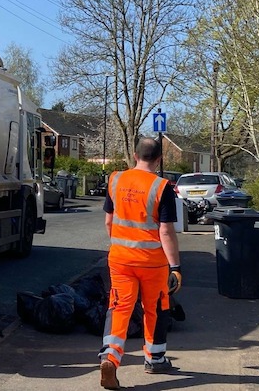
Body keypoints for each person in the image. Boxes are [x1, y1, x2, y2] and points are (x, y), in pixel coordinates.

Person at [98, 137, 181, 390]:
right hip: (152, 263)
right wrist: (175, 267)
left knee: (119, 307)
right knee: (155, 308)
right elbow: (166, 231)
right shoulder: (162, 187)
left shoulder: (115, 179)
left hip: (120, 259)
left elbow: (108, 222)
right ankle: (155, 358)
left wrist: (121, 246)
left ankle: (110, 357)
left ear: (135, 155)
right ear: (158, 159)